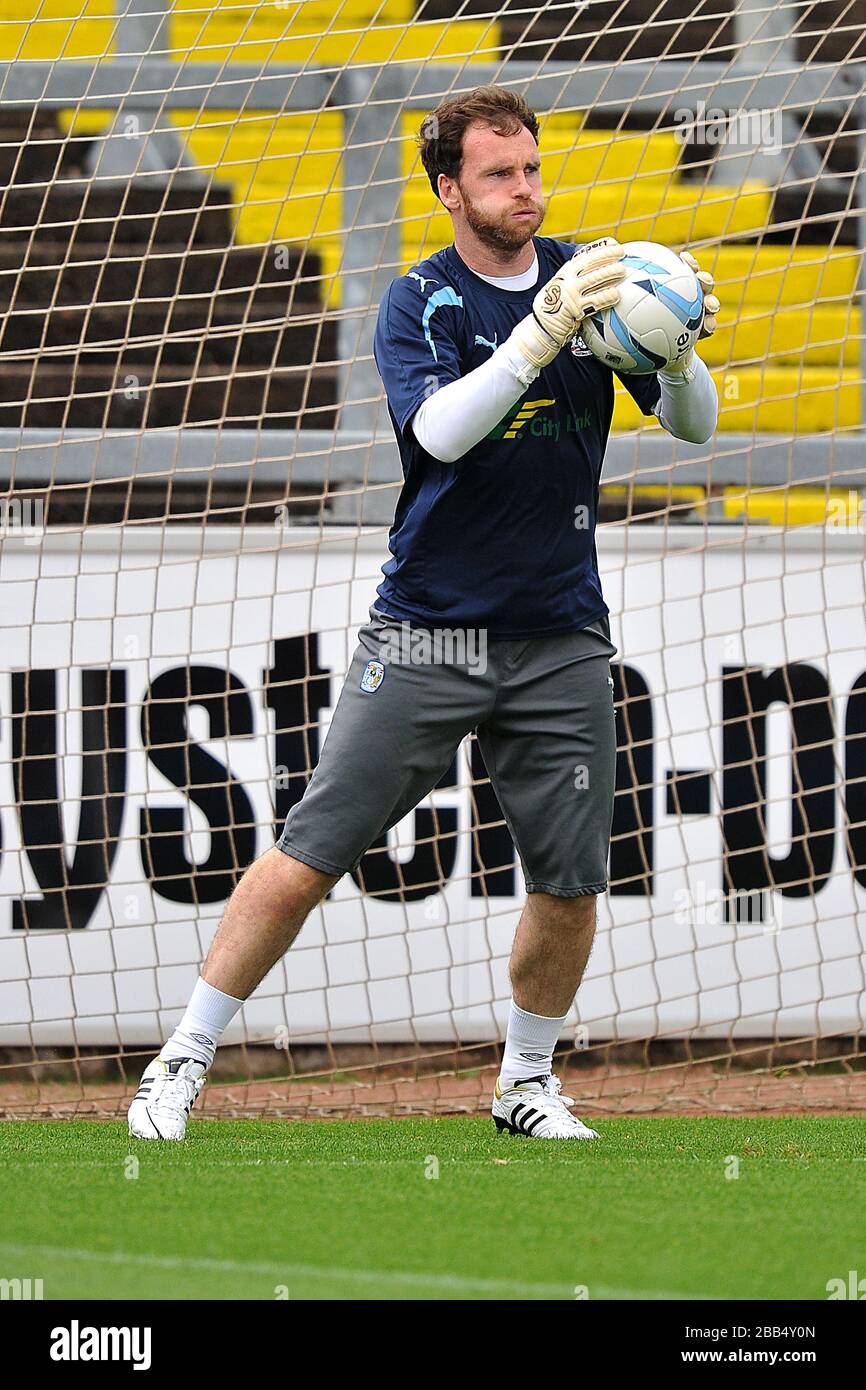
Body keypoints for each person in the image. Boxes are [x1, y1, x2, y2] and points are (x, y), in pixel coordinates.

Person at [129, 84, 719, 1142]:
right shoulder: (422, 300)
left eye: (531, 167)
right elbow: (441, 433)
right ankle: (178, 1061)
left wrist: (675, 355)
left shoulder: (595, 280)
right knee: (309, 851)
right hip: (427, 630)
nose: (524, 189)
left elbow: (692, 432)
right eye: (498, 173)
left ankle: (524, 1084)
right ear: (448, 188)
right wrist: (540, 337)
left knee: (570, 879)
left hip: (558, 631)